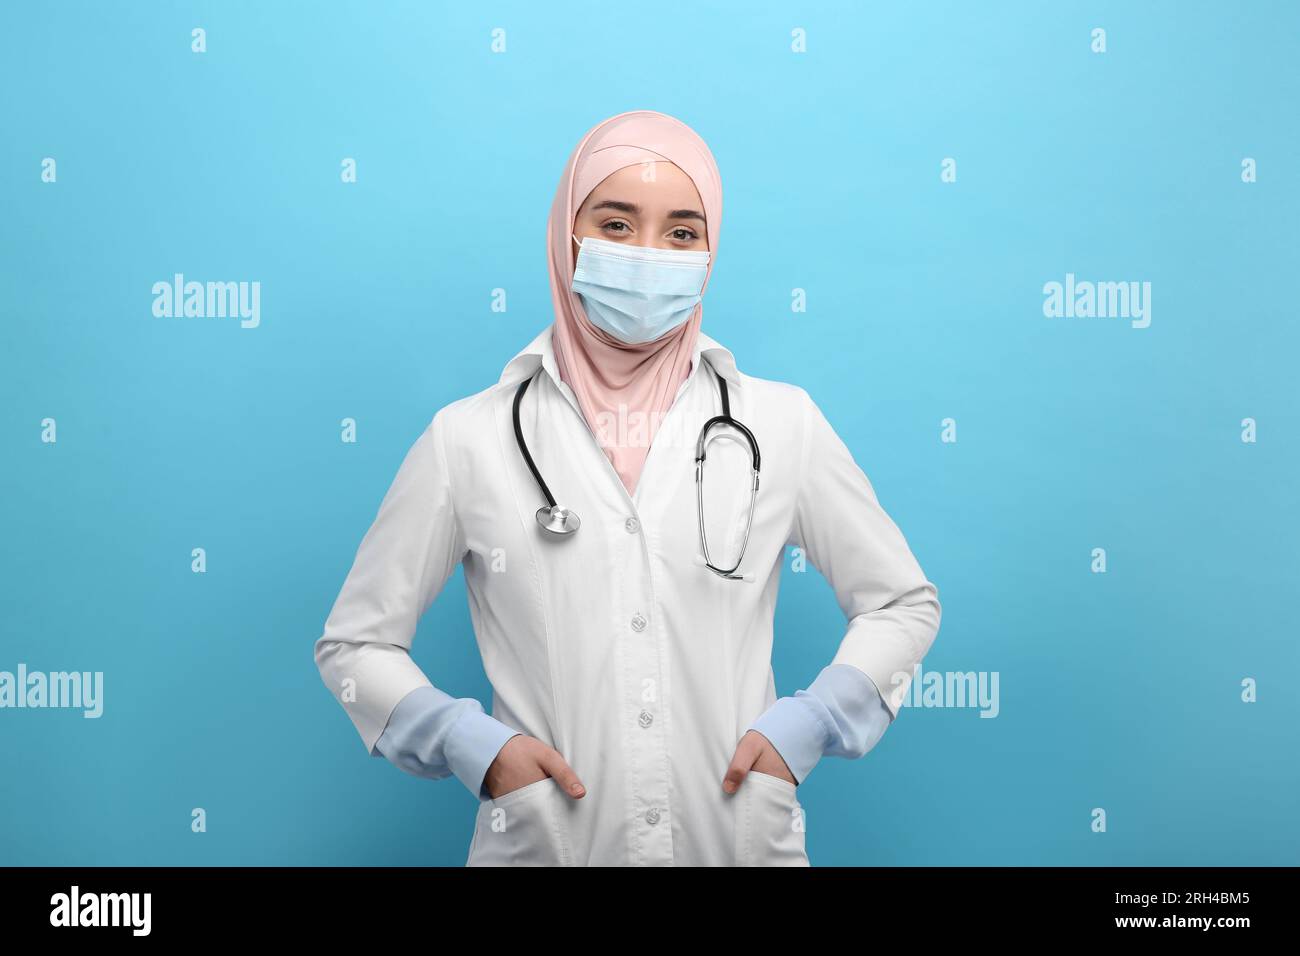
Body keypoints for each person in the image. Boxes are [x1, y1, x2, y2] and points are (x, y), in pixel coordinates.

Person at [313, 109, 941, 866]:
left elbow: (901, 604)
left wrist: (810, 724)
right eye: (615, 224)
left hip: (737, 840)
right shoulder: (469, 437)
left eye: (681, 233)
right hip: (548, 844)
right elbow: (355, 645)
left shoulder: (780, 422)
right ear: (565, 236)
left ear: (710, 252)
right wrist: (468, 741)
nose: (649, 256)